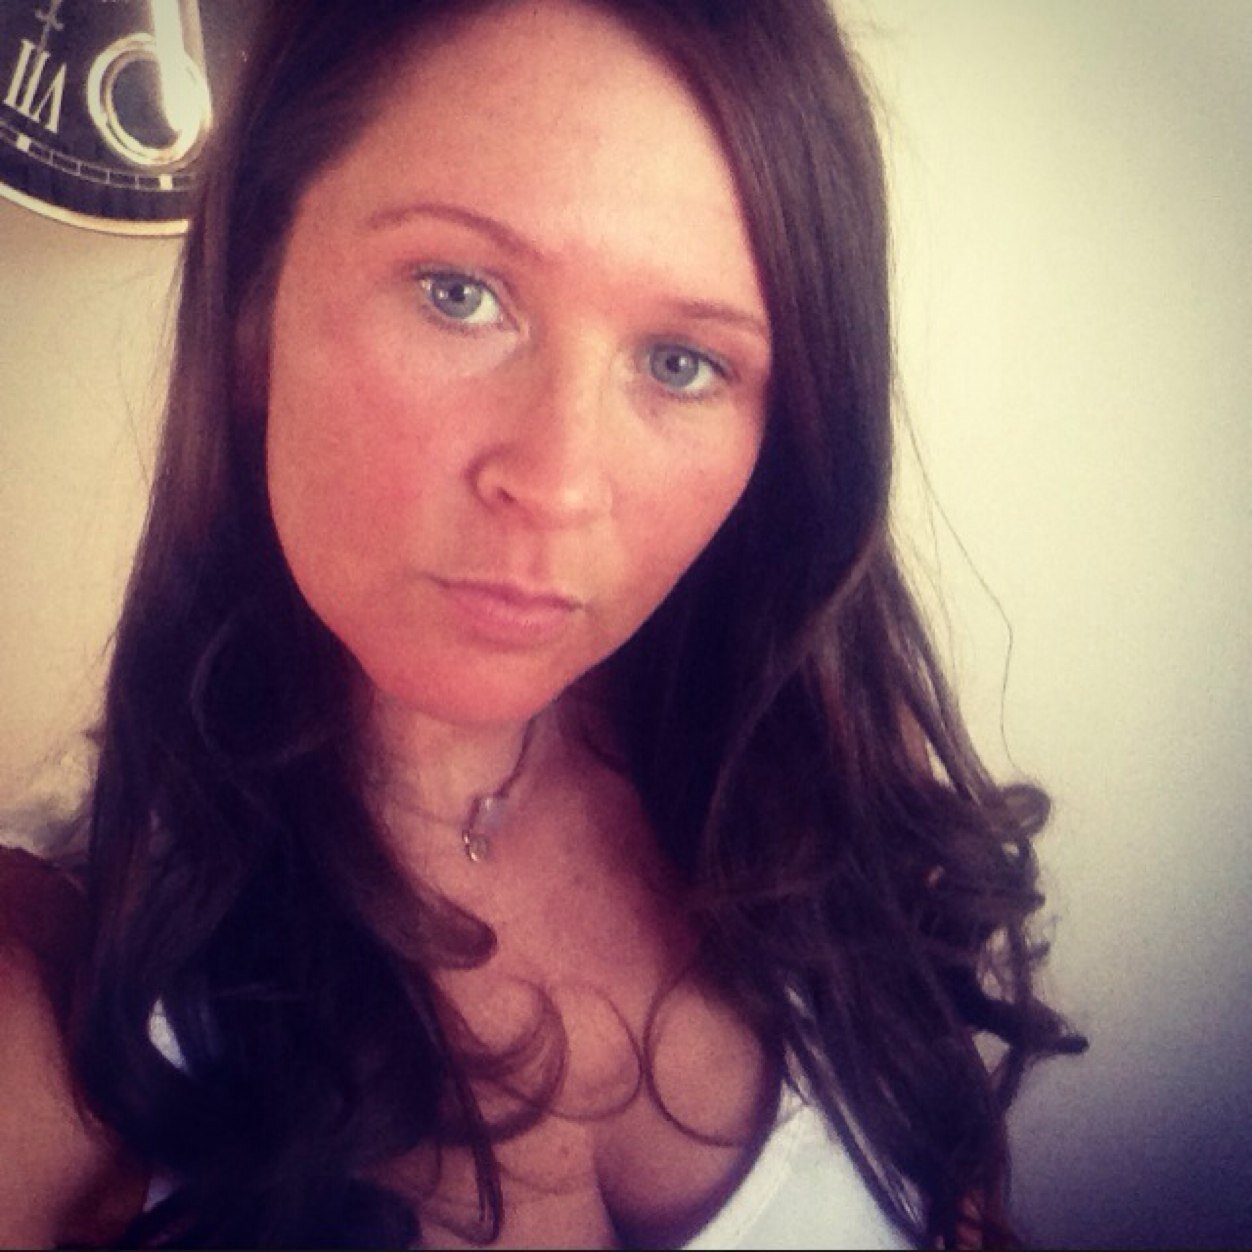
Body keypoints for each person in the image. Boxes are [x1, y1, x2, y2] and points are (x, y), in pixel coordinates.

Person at [0, 0, 1084, 1246]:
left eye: (681, 362)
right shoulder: (51, 988)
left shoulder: (825, 791)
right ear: (255, 301)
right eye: (459, 292)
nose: (558, 483)